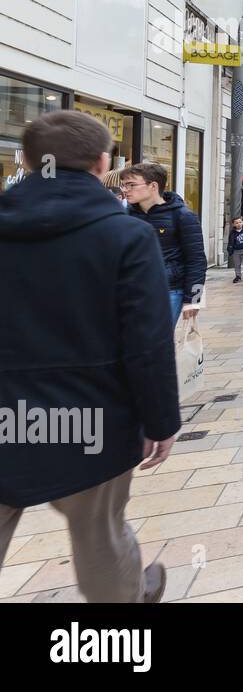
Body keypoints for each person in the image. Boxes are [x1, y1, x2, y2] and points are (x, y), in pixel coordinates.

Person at [0, 110, 175, 602]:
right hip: (89, 414)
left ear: (30, 161)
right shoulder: (125, 236)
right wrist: (160, 420)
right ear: (104, 163)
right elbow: (148, 341)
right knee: (100, 533)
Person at [122, 161, 206, 325]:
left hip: (170, 291)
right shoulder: (125, 215)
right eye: (124, 185)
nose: (125, 190)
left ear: (153, 186)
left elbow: (196, 260)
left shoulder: (182, 216)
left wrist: (194, 299)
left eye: (131, 185)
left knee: (154, 342)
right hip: (131, 290)